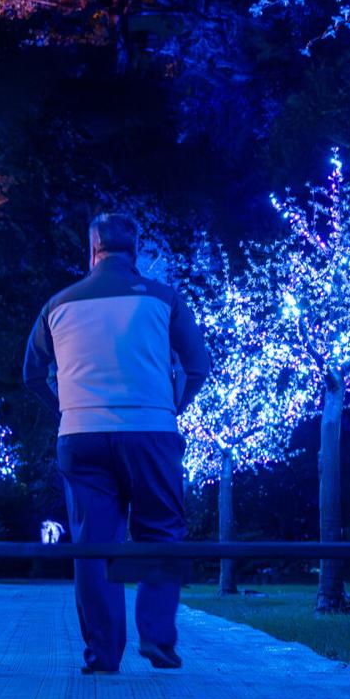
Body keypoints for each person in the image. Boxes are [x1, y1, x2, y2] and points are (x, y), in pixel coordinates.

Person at [23, 213, 210, 673]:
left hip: (81, 437)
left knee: (93, 543)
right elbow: (199, 365)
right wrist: (172, 406)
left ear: (92, 250)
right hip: (151, 431)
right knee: (162, 531)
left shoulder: (58, 304)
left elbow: (31, 374)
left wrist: (67, 407)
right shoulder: (163, 300)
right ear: (136, 251)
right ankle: (158, 640)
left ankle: (102, 654)